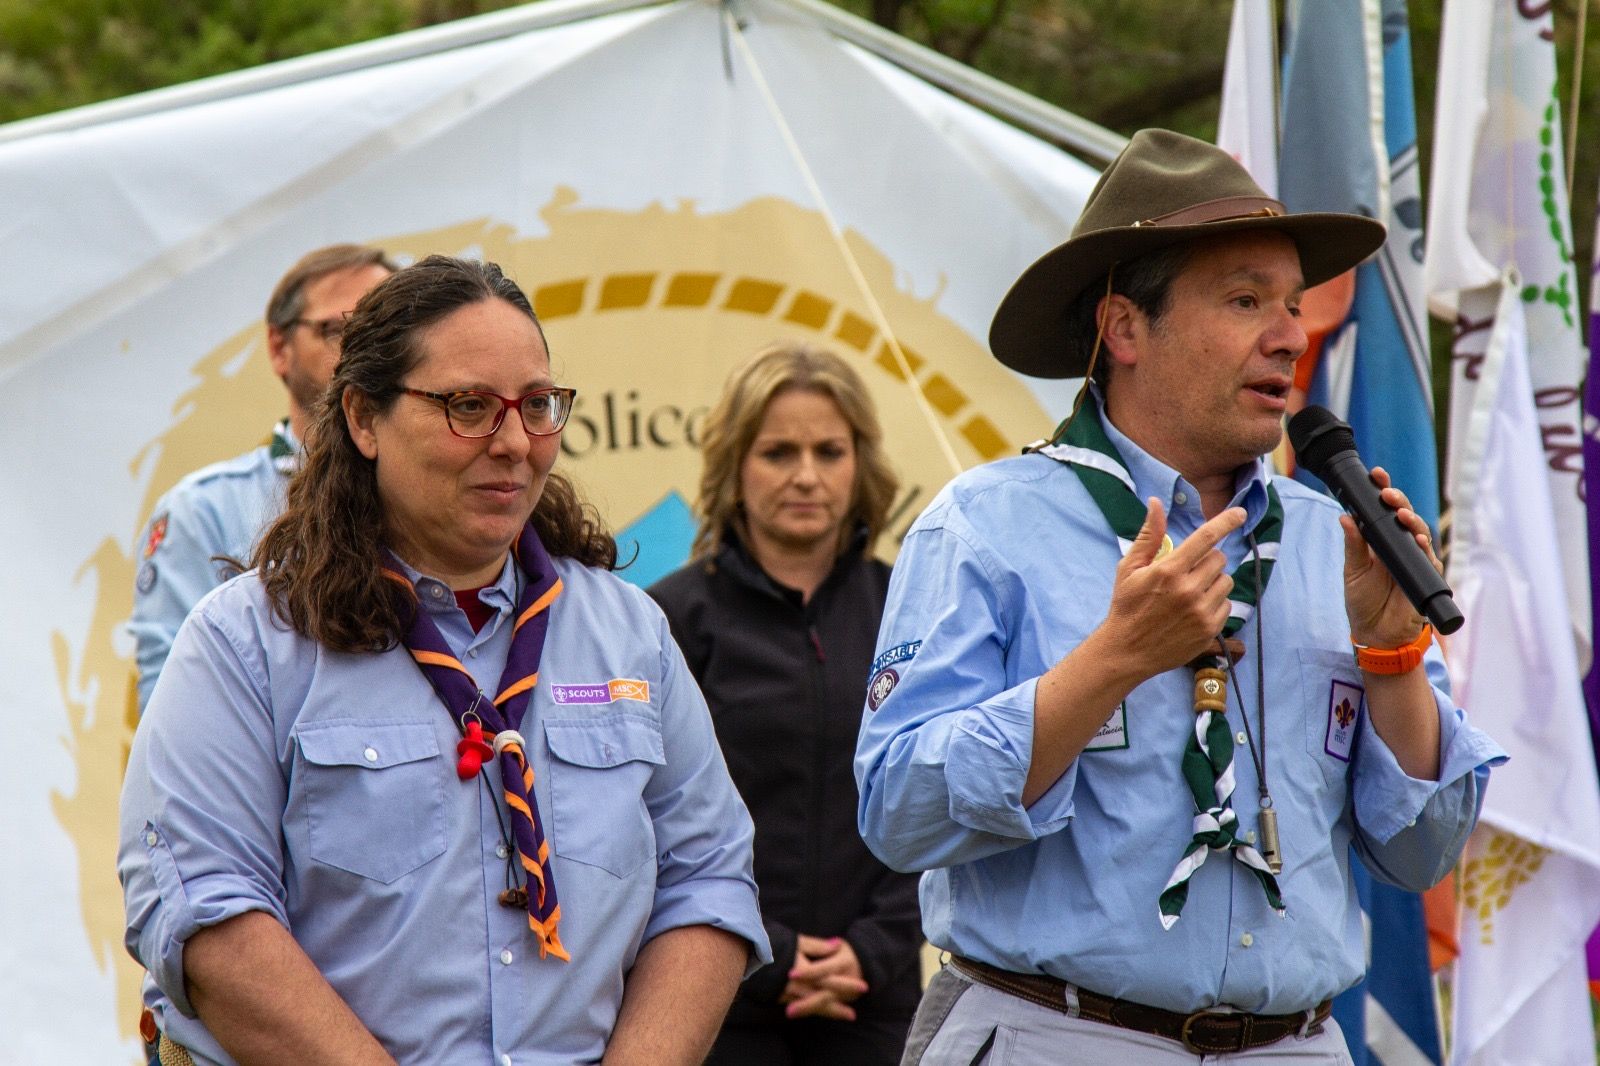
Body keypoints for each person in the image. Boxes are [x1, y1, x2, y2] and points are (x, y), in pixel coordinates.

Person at [854, 129, 1507, 1063]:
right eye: (1245, 301)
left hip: (1297, 1044)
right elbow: (898, 813)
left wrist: (1395, 657)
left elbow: (1423, 858)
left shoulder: (1339, 540)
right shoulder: (984, 528)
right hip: (1059, 1035)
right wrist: (1112, 661)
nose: (1289, 335)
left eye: (1291, 305)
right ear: (1124, 328)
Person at [120, 255, 769, 1065]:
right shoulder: (245, 641)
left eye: (536, 406)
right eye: (468, 407)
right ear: (362, 419)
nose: (512, 442)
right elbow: (202, 910)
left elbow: (707, 882)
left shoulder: (631, 632)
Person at [649, 343, 922, 1066]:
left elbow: (945, 798)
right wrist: (766, 950)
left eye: (829, 451)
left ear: (860, 464)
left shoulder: (913, 610)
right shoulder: (668, 620)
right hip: (715, 1002)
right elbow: (644, 821)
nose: (806, 475)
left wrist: (876, 948)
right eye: (778, 452)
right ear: (735, 464)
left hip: (877, 1000)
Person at [128, 243, 395, 712]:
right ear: (278, 348)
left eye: (385, 332)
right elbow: (175, 710)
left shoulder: (431, 495)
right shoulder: (202, 510)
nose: (363, 351)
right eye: (338, 329)